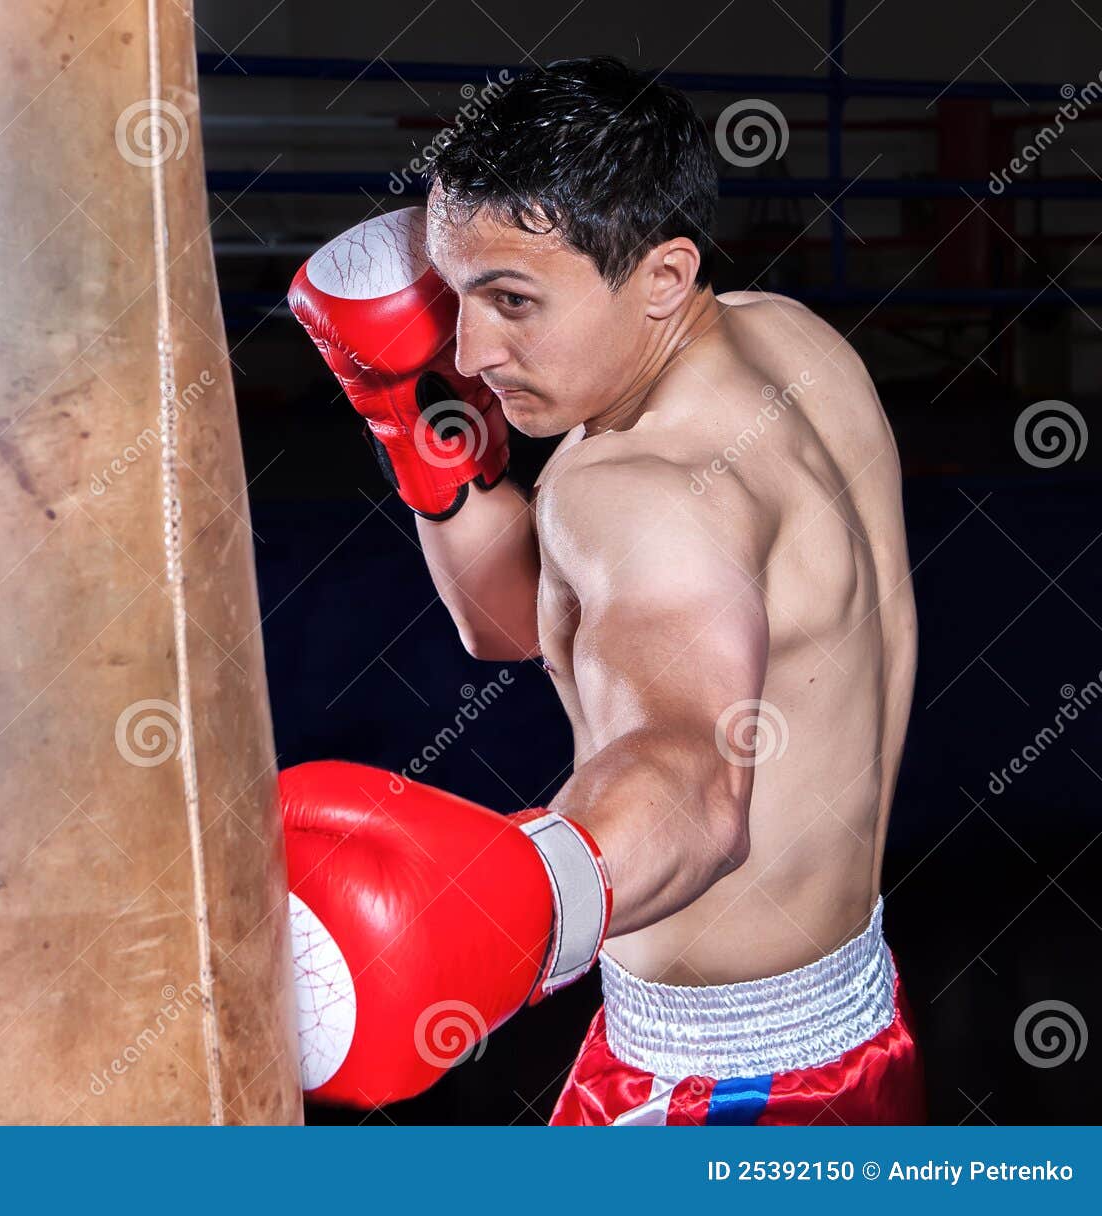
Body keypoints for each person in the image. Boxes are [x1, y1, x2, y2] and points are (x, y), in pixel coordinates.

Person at [282, 56, 925, 1125]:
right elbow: (523, 625)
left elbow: (693, 777)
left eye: (512, 300)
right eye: (455, 294)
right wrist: (417, 434)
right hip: (852, 1022)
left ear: (662, 277)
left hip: (719, 1094)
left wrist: (518, 904)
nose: (471, 348)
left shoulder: (632, 487)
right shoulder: (790, 341)